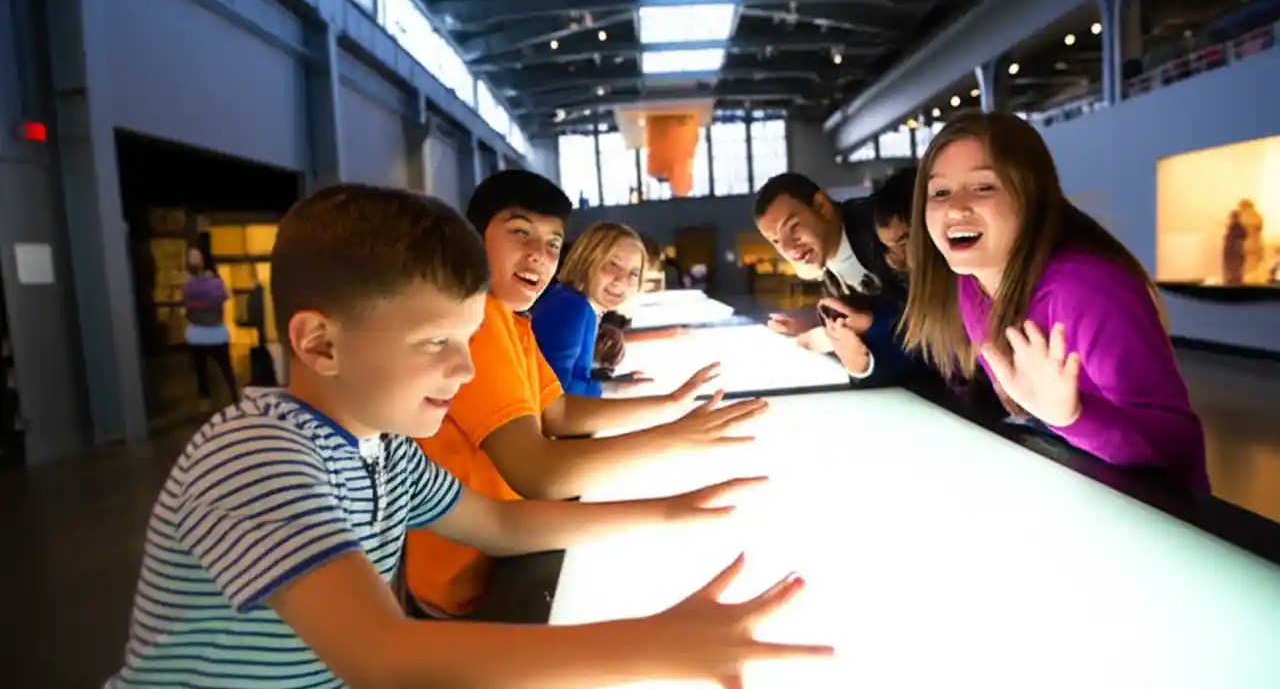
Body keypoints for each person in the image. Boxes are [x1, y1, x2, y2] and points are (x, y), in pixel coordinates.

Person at [107, 184, 829, 688]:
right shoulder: (254, 457)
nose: (462, 367)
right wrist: (658, 644)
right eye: (435, 343)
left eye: (465, 338)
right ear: (321, 344)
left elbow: (502, 525)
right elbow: (382, 656)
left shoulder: (385, 447)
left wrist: (671, 510)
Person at [408, 170, 767, 618]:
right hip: (466, 583)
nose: (538, 255)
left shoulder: (511, 319)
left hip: (500, 547)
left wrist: (668, 406)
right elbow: (538, 471)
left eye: (553, 243)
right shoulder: (479, 321)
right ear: (473, 239)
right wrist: (675, 438)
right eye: (520, 233)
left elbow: (556, 409)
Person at [901, 110, 1209, 492]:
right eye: (940, 192)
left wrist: (1074, 417)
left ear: (1030, 195)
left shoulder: (1085, 289)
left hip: (1150, 505)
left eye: (983, 187)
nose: (955, 208)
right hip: (1067, 481)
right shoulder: (969, 281)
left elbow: (1176, 448)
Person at [753, 169, 927, 388]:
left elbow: (934, 319)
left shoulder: (887, 227)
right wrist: (823, 330)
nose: (788, 249)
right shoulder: (829, 269)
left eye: (793, 227)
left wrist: (869, 331)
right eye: (776, 241)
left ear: (821, 206)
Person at [531, 221, 647, 396]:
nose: (622, 280)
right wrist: (612, 388)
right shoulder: (572, 307)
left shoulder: (572, 303)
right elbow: (556, 399)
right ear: (587, 260)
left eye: (634, 273)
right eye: (613, 265)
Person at [182, 244, 237, 408]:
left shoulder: (195, 283)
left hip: (208, 331)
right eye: (191, 256)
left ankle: (229, 396)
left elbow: (188, 305)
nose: (194, 260)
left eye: (195, 256)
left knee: (218, 368)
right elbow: (225, 296)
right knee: (209, 369)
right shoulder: (203, 283)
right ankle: (220, 397)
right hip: (205, 330)